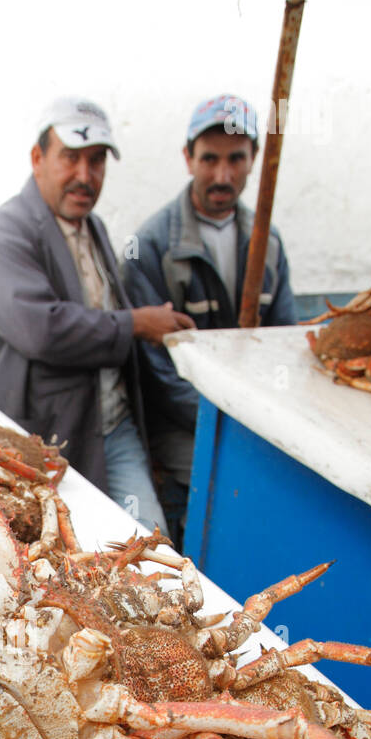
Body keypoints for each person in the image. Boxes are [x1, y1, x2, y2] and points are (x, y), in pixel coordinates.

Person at [0, 97, 193, 534]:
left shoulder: (93, 227)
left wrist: (147, 321)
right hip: (41, 440)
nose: (84, 176)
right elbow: (43, 330)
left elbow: (100, 314)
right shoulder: (4, 234)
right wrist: (138, 323)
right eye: (70, 159)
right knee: (54, 560)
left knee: (149, 545)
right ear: (38, 159)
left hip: (111, 426)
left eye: (96, 162)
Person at [123, 94, 297, 546]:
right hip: (186, 426)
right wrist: (235, 420)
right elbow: (158, 374)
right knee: (221, 498)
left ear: (254, 158)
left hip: (253, 418)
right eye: (210, 159)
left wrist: (268, 415)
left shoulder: (268, 243)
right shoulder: (152, 246)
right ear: (188, 159)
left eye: (236, 159)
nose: (223, 175)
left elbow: (287, 343)